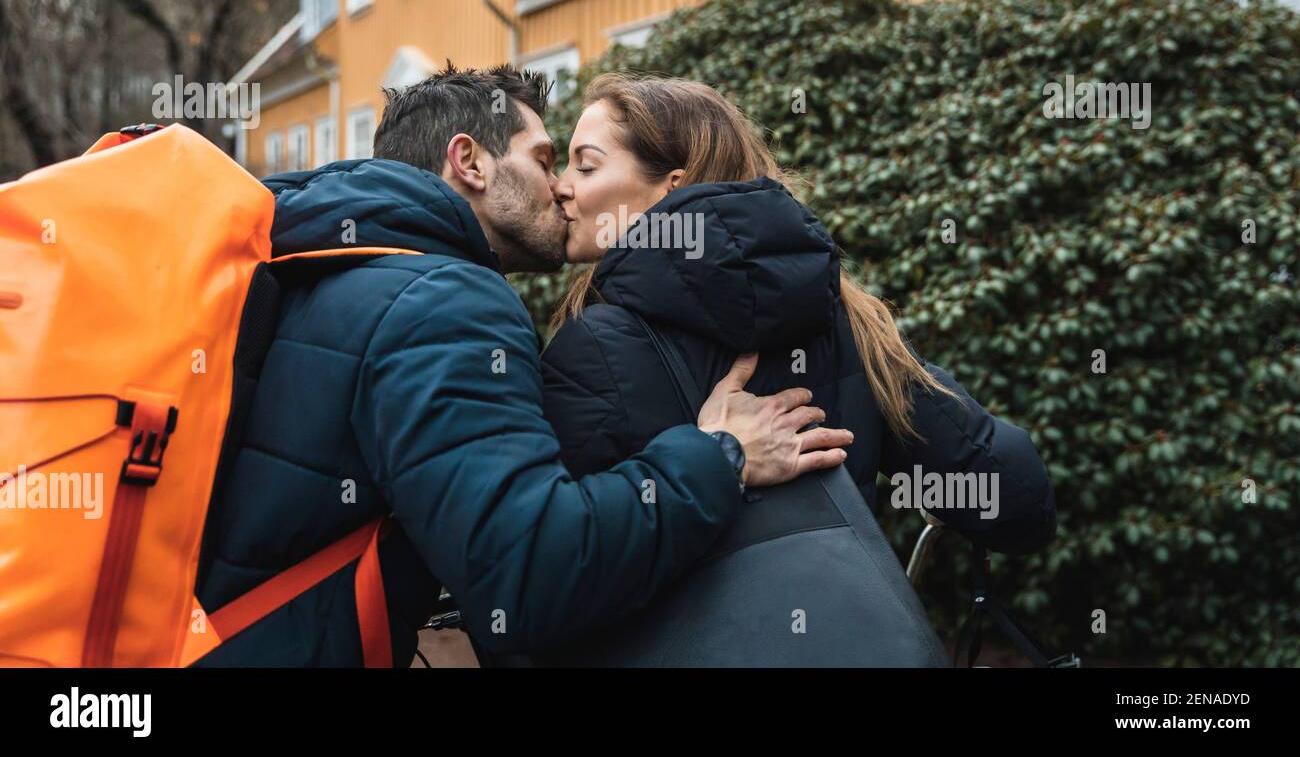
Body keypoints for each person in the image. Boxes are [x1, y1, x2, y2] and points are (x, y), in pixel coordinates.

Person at [194, 65, 852, 666]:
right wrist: (719, 455)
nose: (559, 187)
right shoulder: (444, 302)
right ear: (469, 161)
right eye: (544, 158)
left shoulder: (314, 262)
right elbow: (531, 575)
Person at [544, 73, 1058, 555]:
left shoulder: (590, 345)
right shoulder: (849, 324)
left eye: (585, 166)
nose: (560, 185)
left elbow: (560, 562)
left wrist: (711, 460)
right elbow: (1017, 502)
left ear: (672, 188)